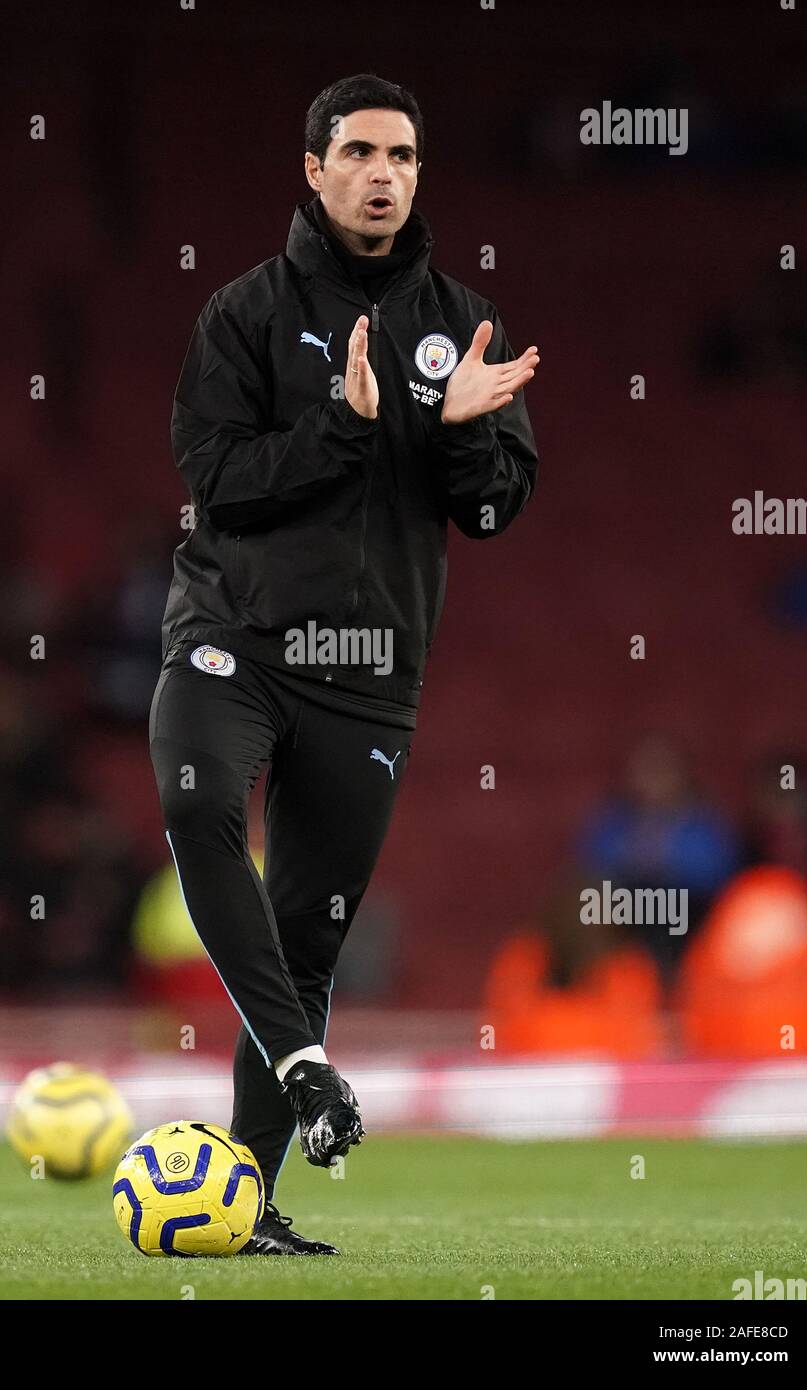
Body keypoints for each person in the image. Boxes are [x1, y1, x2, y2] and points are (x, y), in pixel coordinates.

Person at [148, 73, 539, 1254]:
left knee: (308, 930)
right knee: (200, 804)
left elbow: (489, 515)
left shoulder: (464, 327)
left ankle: (252, 1200)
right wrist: (346, 426)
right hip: (233, 638)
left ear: (420, 175)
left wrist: (465, 435)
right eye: (359, 150)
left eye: (404, 155)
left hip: (368, 676)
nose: (383, 172)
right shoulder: (241, 314)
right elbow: (214, 478)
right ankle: (310, 1065)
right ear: (312, 169)